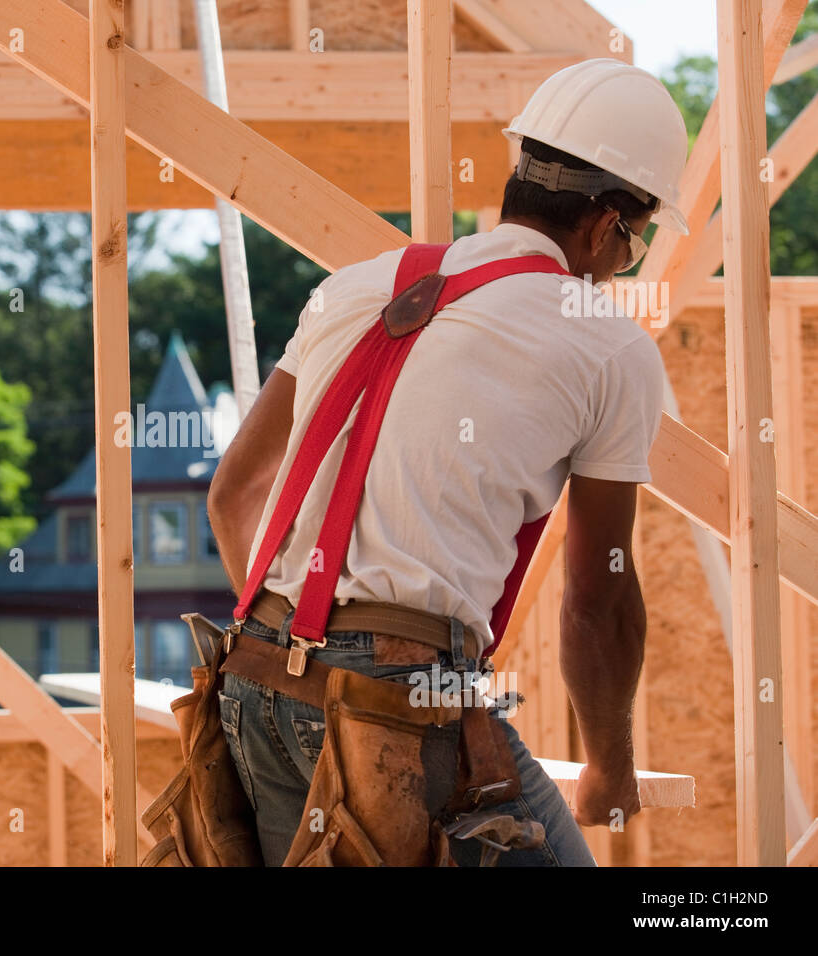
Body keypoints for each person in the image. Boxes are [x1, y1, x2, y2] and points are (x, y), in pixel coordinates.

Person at [206, 58, 689, 866]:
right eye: (633, 244)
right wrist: (610, 764)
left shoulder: (354, 287)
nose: (620, 265)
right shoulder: (606, 345)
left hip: (254, 675)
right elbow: (597, 598)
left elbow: (233, 495)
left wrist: (292, 645)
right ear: (607, 223)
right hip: (399, 698)